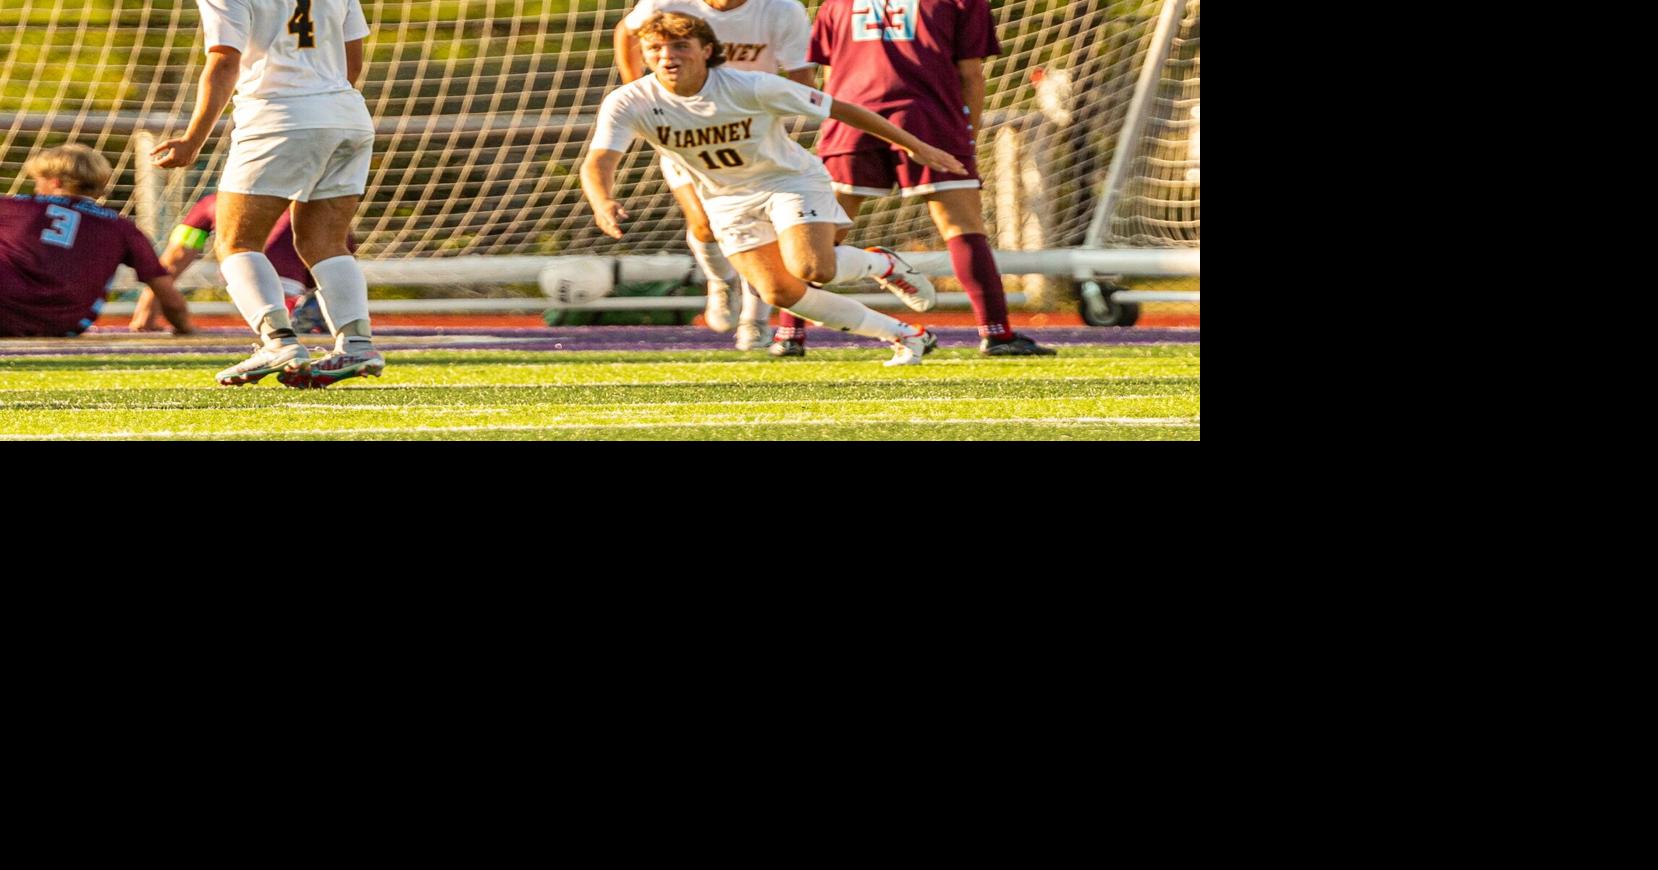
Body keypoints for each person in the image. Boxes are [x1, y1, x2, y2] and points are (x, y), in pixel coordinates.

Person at [583, 12, 960, 367]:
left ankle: (884, 264)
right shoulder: (629, 101)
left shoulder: (751, 86)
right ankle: (904, 335)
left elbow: (841, 109)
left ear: (707, 50)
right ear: (645, 55)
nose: (667, 56)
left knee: (813, 268)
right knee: (778, 293)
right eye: (655, 48)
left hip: (787, 182)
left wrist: (916, 146)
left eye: (680, 46)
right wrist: (602, 200)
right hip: (725, 200)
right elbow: (599, 160)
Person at [770, 0, 1055, 358]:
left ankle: (789, 334)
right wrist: (968, 134)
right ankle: (997, 333)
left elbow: (829, 76)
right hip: (929, 121)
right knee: (963, 228)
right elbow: (971, 75)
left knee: (820, 236)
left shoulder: (835, 4)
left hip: (852, 123)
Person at [152, 0, 380, 388]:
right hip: (347, 116)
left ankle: (278, 341)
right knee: (325, 243)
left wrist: (192, 140)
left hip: (277, 119)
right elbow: (351, 63)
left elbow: (225, 61)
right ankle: (357, 343)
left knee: (236, 242)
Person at [614, 0, 815, 350]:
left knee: (760, 231)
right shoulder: (667, 4)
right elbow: (626, 31)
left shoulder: (782, 10)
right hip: (686, 128)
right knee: (704, 221)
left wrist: (804, 113)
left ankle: (754, 317)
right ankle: (720, 281)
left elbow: (801, 74)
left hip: (750, 133)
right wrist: (637, 91)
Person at [0, 144, 194, 338]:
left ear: (55, 182)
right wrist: (185, 328)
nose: (36, 188)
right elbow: (171, 300)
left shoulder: (12, 207)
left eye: (38, 181)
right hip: (63, 325)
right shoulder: (121, 227)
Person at [130, 191, 347, 334]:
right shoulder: (312, 204)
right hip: (293, 286)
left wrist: (145, 314)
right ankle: (307, 311)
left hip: (241, 279)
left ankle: (294, 314)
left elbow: (173, 260)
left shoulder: (212, 202)